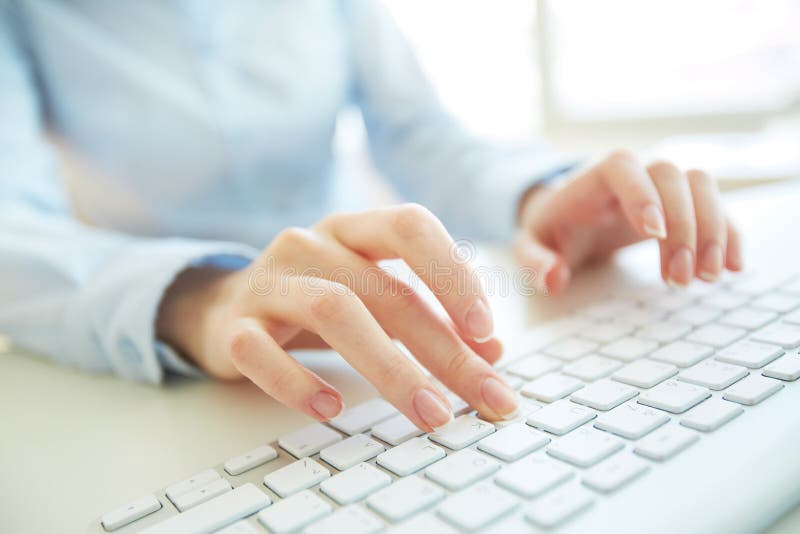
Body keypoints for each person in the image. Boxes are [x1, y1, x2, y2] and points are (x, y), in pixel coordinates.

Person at [0, 1, 741, 432]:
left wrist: (538, 195)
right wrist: (203, 296)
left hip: (364, 350)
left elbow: (418, 132)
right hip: (165, 374)